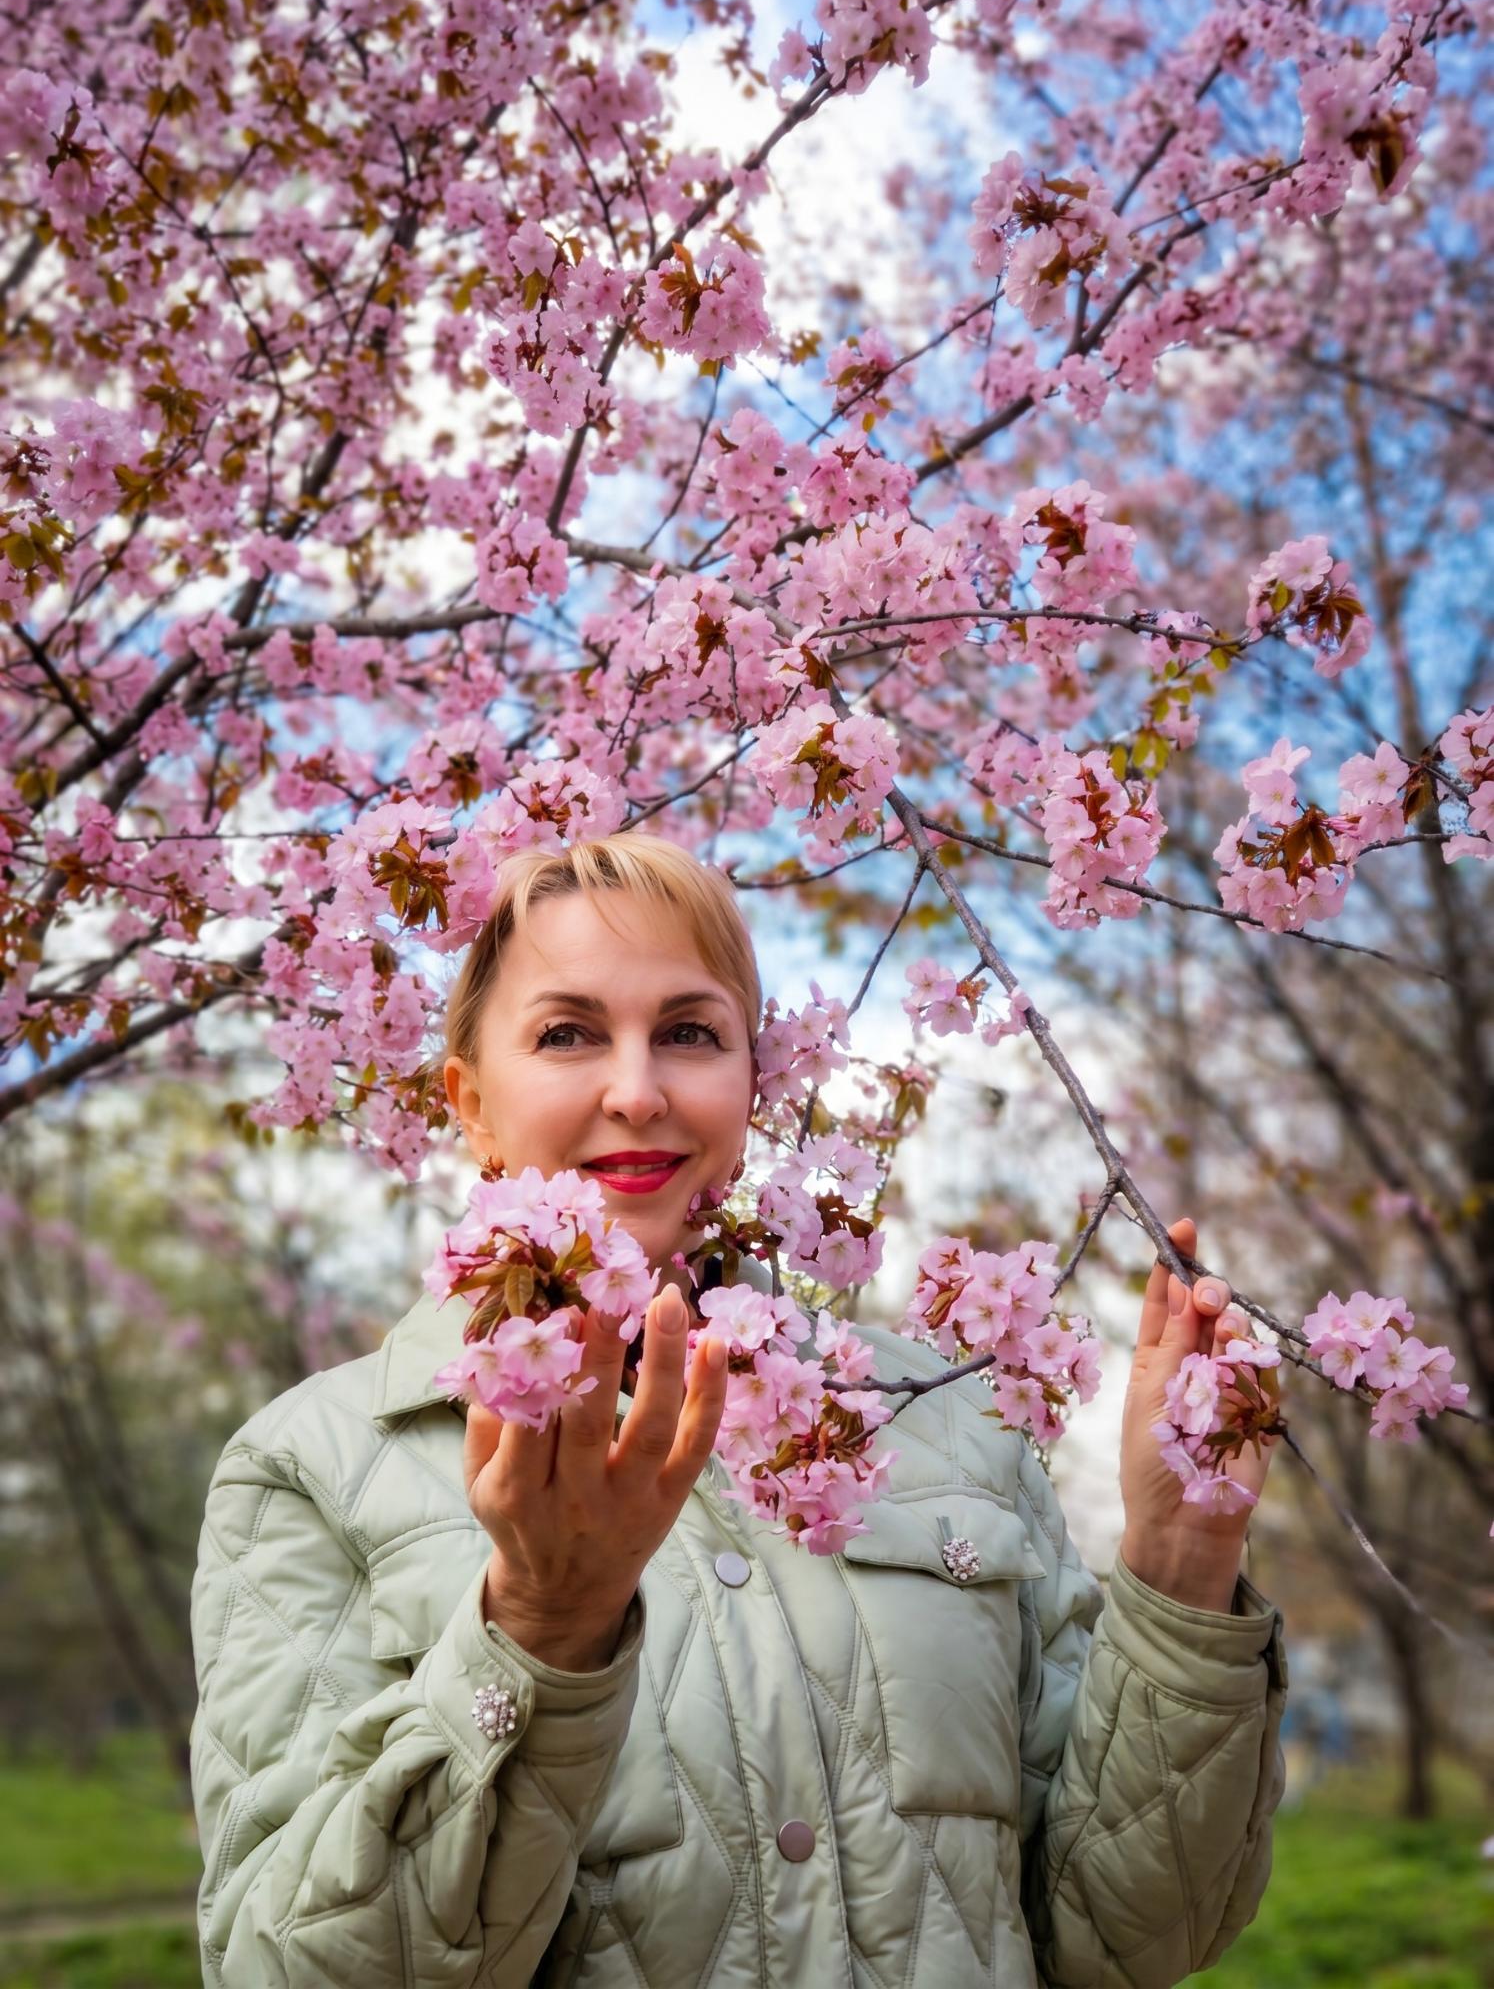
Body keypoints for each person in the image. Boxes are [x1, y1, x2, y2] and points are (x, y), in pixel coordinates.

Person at [189, 833, 1288, 1988]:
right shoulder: (312, 1466)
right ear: (469, 1102)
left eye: (689, 1032)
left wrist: (1180, 1564)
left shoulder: (947, 1424)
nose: (636, 1088)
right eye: (567, 1033)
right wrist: (539, 1631)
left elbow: (1125, 1936)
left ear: (751, 1085)